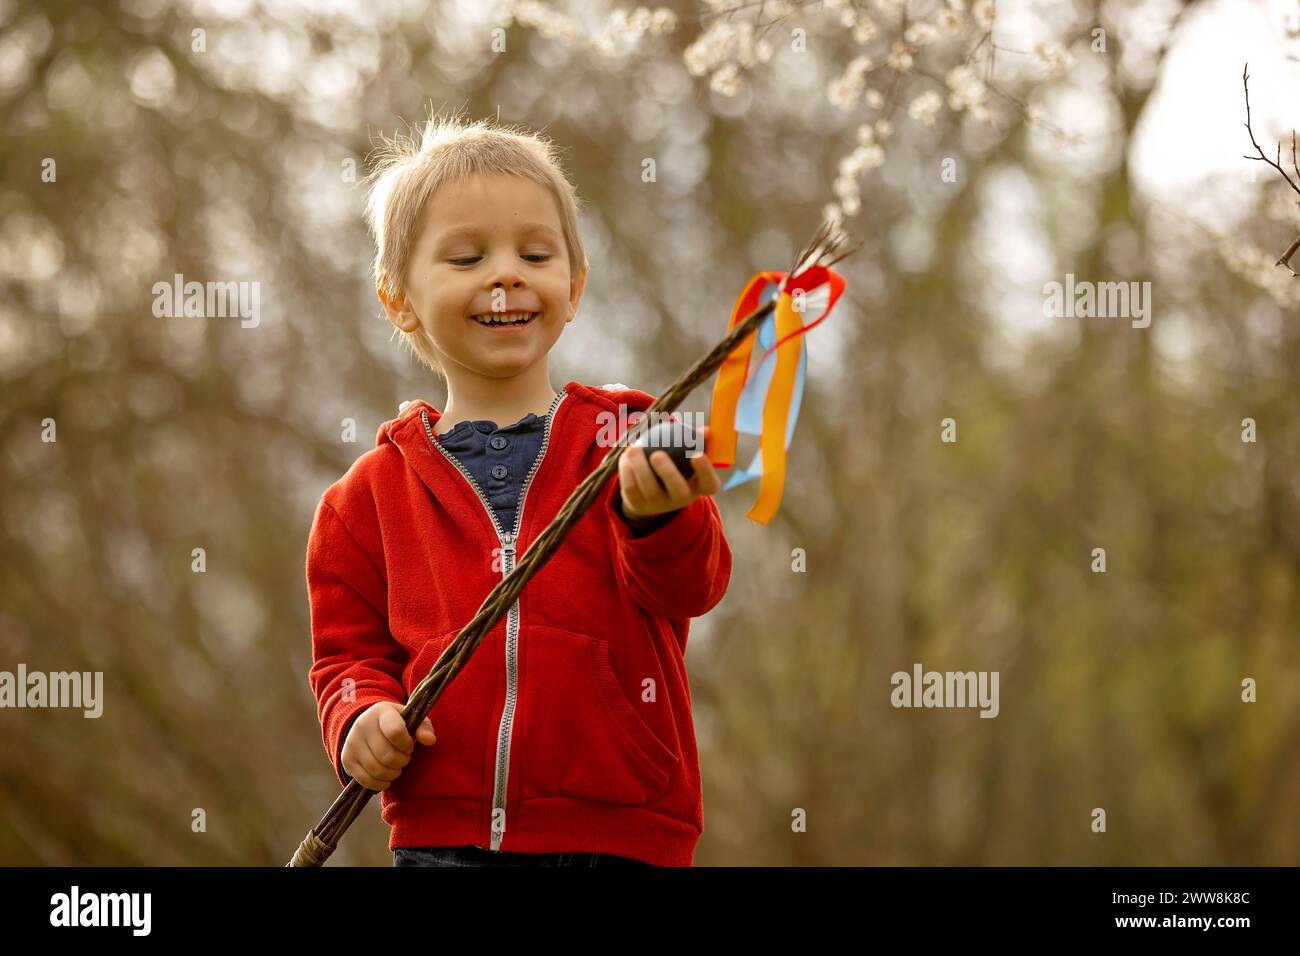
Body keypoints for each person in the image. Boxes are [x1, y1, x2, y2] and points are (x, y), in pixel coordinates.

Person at [305, 109, 732, 867]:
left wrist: (657, 516)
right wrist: (358, 718)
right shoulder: (363, 501)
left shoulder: (627, 438)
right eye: (466, 258)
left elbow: (693, 586)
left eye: (534, 253)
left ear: (574, 285)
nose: (506, 274)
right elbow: (346, 661)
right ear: (399, 298)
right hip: (443, 838)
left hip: (619, 834)